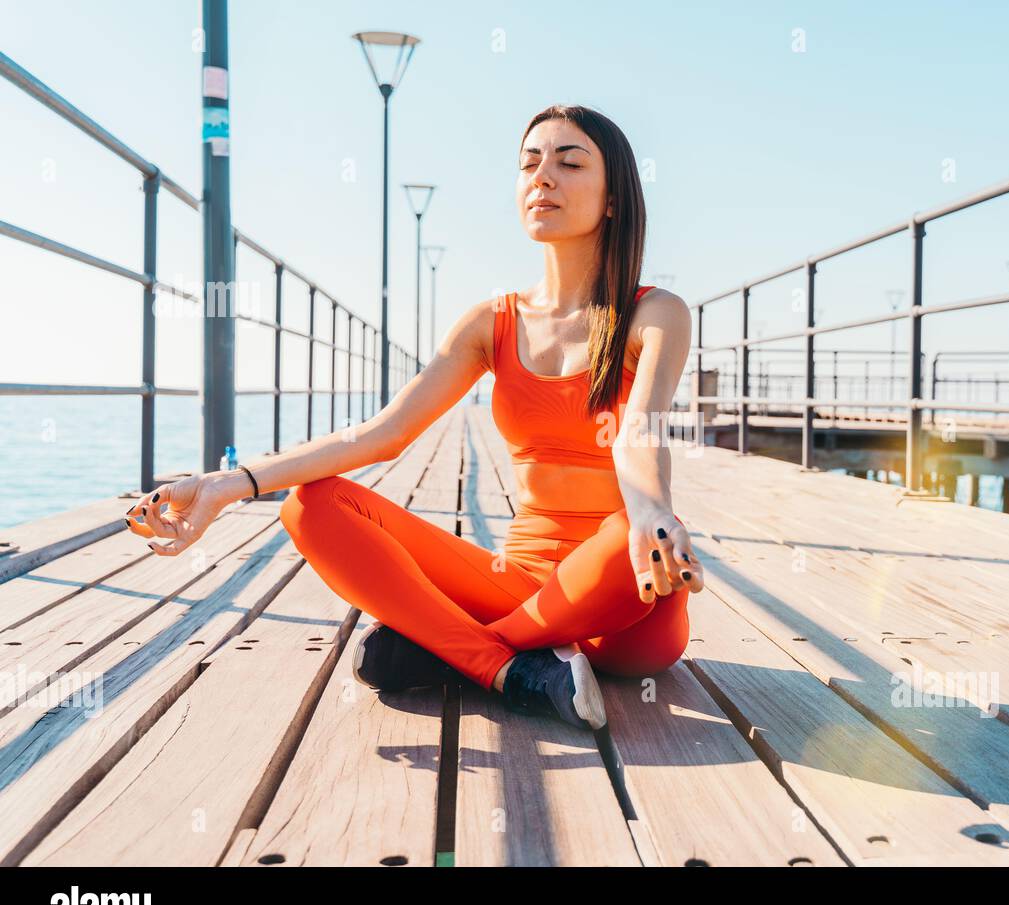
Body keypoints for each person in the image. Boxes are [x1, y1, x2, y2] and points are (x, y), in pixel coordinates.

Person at [122, 104, 704, 733]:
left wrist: (651, 509)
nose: (543, 178)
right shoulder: (492, 323)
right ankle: (511, 670)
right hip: (519, 584)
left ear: (614, 198)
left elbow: (640, 431)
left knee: (627, 532)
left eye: (569, 163)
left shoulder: (655, 313)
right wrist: (226, 485)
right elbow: (381, 435)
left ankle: (451, 653)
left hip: (629, 598)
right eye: (529, 163)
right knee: (310, 506)